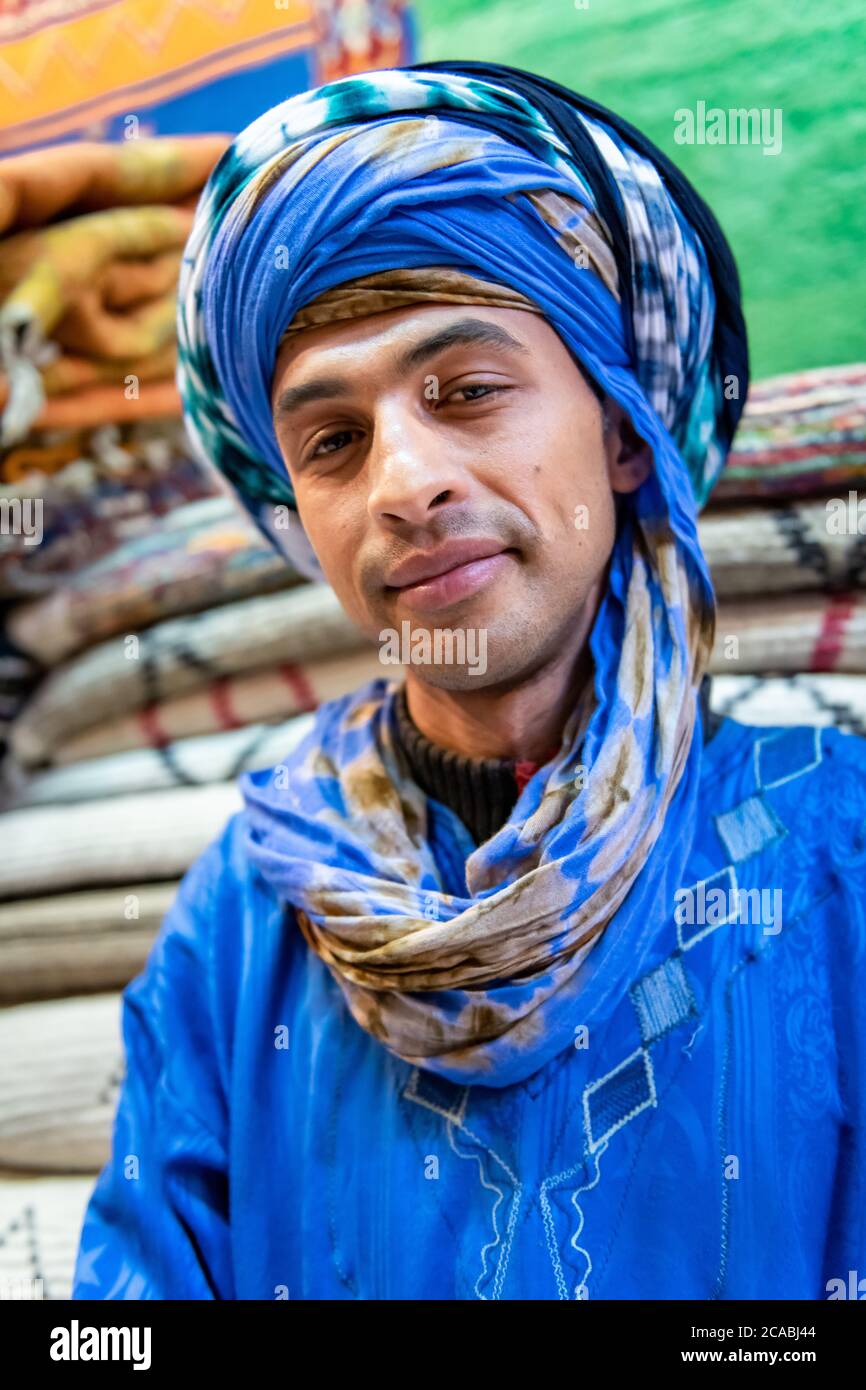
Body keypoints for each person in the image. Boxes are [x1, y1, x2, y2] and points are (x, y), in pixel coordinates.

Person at [72, 60, 866, 1301]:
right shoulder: (246, 910)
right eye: (331, 441)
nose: (401, 483)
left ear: (619, 431)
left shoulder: (833, 847)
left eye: (468, 390)